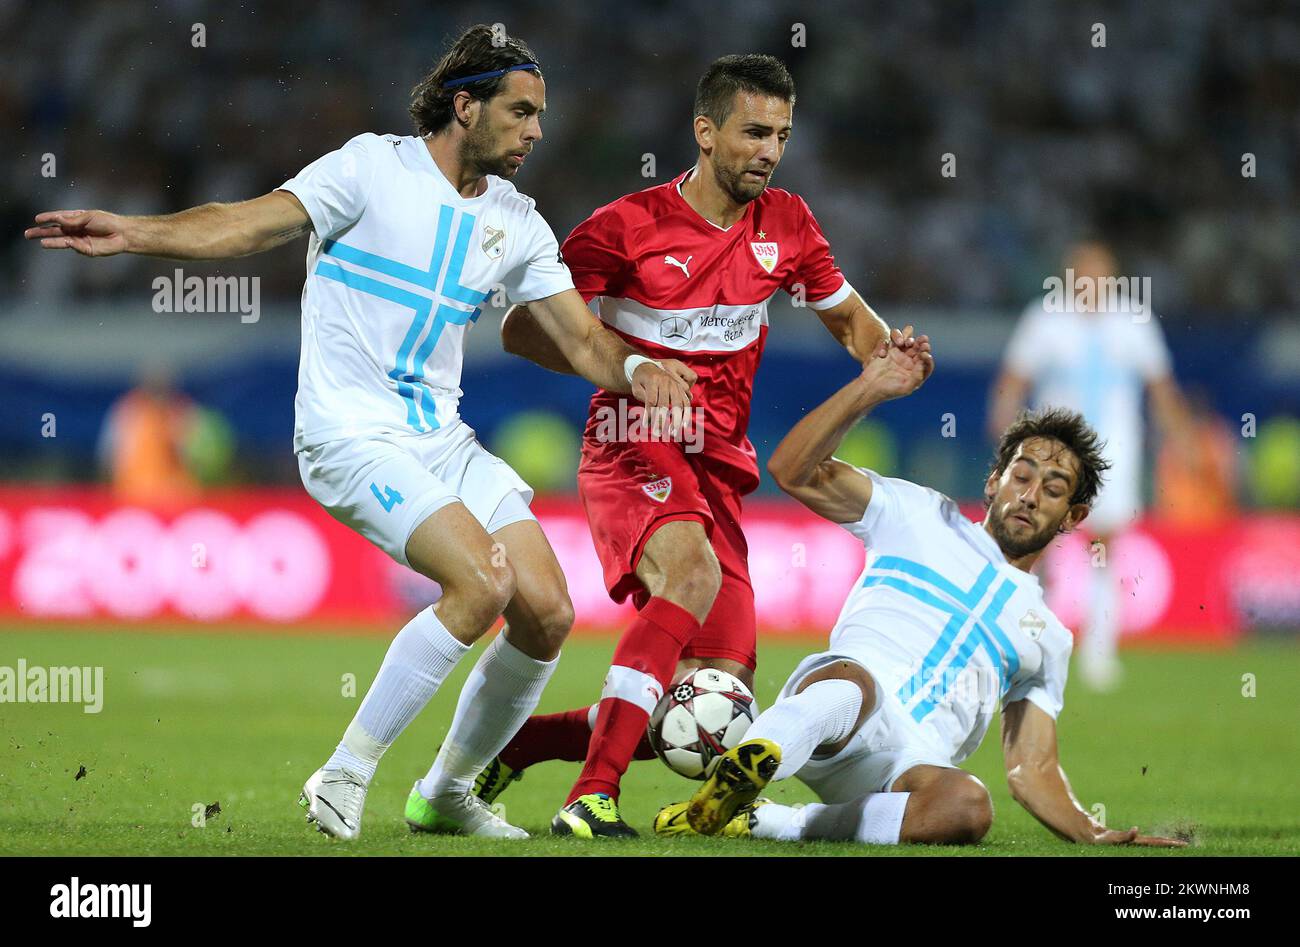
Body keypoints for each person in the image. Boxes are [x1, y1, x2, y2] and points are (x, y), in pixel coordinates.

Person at [25, 24, 694, 841]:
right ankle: (344, 770)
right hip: (347, 434)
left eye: (540, 115)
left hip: (439, 440)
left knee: (548, 611)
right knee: (481, 583)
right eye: (520, 112)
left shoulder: (517, 221)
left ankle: (446, 792)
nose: (536, 132)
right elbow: (247, 223)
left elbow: (582, 337)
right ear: (465, 105)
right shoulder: (371, 168)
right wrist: (136, 233)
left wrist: (635, 370)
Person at [427, 54, 890, 838]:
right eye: (753, 132)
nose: (769, 150)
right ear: (705, 134)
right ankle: (590, 794)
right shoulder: (623, 229)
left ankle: (528, 740)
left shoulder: (788, 224)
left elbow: (849, 319)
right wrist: (634, 370)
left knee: (713, 703)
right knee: (691, 570)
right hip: (630, 441)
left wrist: (889, 357)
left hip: (719, 467)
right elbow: (520, 329)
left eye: (781, 134)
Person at [658, 329, 1185, 849]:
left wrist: (1094, 832)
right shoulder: (917, 513)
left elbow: (1032, 768)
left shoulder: (1049, 638)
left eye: (1052, 490)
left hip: (908, 763)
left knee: (970, 808)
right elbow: (792, 469)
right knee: (852, 681)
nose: (1028, 497)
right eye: (1020, 477)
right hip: (841, 708)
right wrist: (871, 387)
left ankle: (771, 822)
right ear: (993, 479)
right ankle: (748, 763)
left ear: (1074, 515)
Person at [987, 240, 1192, 690]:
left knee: (1105, 545)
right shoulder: (1045, 319)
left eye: (1099, 274)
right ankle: (1028, 642)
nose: (1090, 283)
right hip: (1055, 452)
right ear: (1070, 274)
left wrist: (1181, 438)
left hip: (1115, 451)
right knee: (1037, 543)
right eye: (1083, 273)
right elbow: (1013, 380)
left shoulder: (1133, 321)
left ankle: (1100, 653)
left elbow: (1160, 388)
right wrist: (1005, 432)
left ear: (1112, 278)